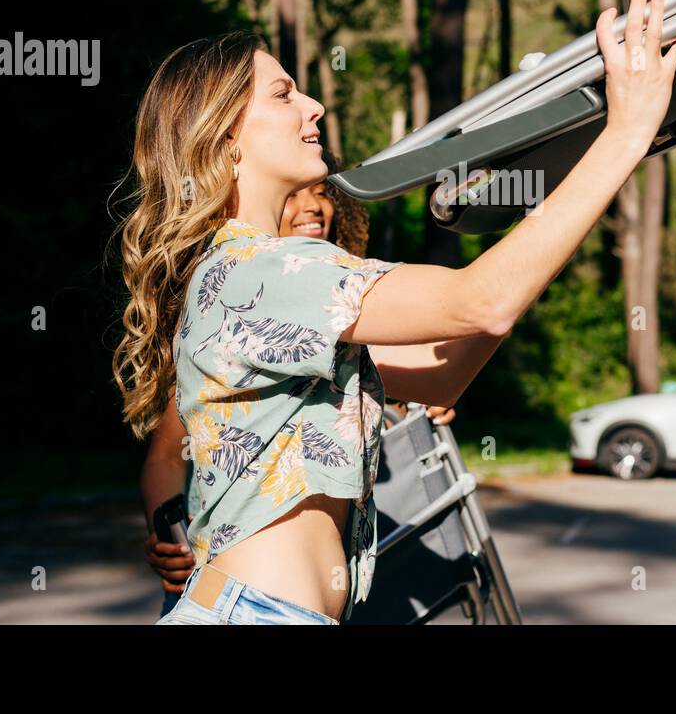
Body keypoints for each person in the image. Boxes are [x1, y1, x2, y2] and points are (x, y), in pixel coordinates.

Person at [113, 0, 676, 624]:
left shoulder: (258, 278)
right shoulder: (261, 271)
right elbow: (483, 301)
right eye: (282, 94)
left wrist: (537, 243)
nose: (315, 105)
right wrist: (625, 132)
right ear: (222, 140)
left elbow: (447, 364)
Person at [138, 158, 452, 618]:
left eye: (323, 193)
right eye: (293, 194)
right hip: (237, 584)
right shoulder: (234, 297)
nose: (313, 206)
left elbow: (427, 366)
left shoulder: (352, 308)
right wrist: (171, 537)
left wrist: (417, 406)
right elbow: (166, 454)